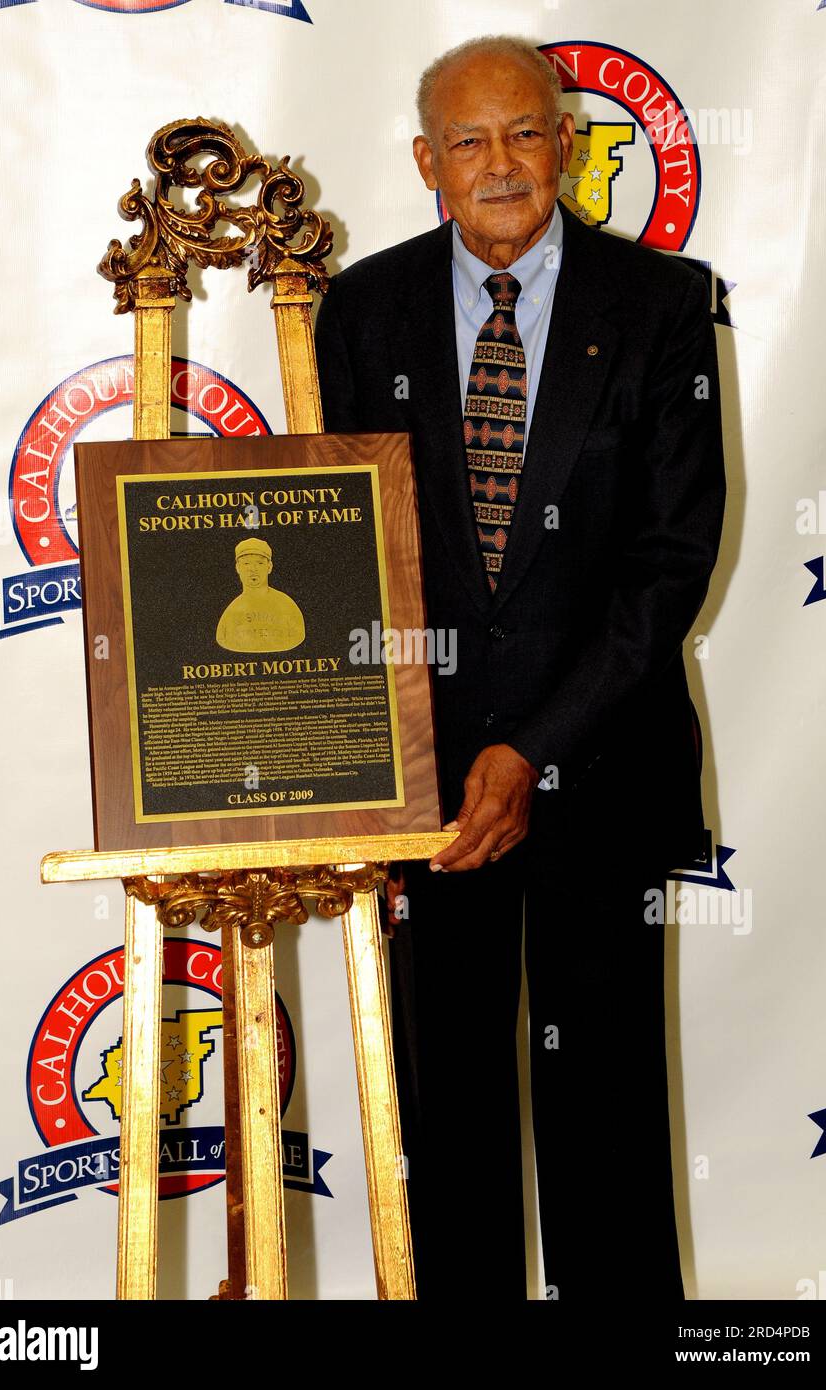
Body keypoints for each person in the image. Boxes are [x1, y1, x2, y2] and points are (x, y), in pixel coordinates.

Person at [314, 34, 725, 1301]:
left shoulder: (663, 305)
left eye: (526, 134)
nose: (502, 165)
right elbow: (348, 552)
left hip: (599, 767)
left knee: (603, 1108)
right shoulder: (360, 309)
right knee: (449, 1126)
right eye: (471, 142)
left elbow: (668, 566)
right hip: (429, 790)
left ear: (567, 145)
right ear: (428, 162)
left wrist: (530, 748)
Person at [215, 537, 305, 653]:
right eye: (246, 563)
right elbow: (223, 640)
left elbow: (298, 637)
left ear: (269, 566)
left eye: (260, 563)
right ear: (238, 568)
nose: (253, 569)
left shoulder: (287, 606)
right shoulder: (229, 614)